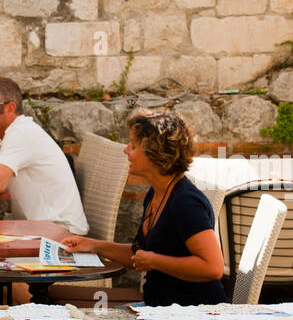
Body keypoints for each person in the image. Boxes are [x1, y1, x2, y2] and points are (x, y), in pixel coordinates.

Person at [62, 111, 225, 306]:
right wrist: (93, 245)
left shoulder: (185, 203)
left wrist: (156, 261)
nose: (125, 150)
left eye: (133, 146)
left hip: (192, 315)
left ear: (154, 153)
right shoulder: (156, 193)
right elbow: (139, 256)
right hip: (160, 308)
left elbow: (213, 267)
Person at [0, 77, 89, 236]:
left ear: (10, 108)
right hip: (41, 230)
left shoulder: (20, 134)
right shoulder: (8, 135)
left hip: (60, 235)